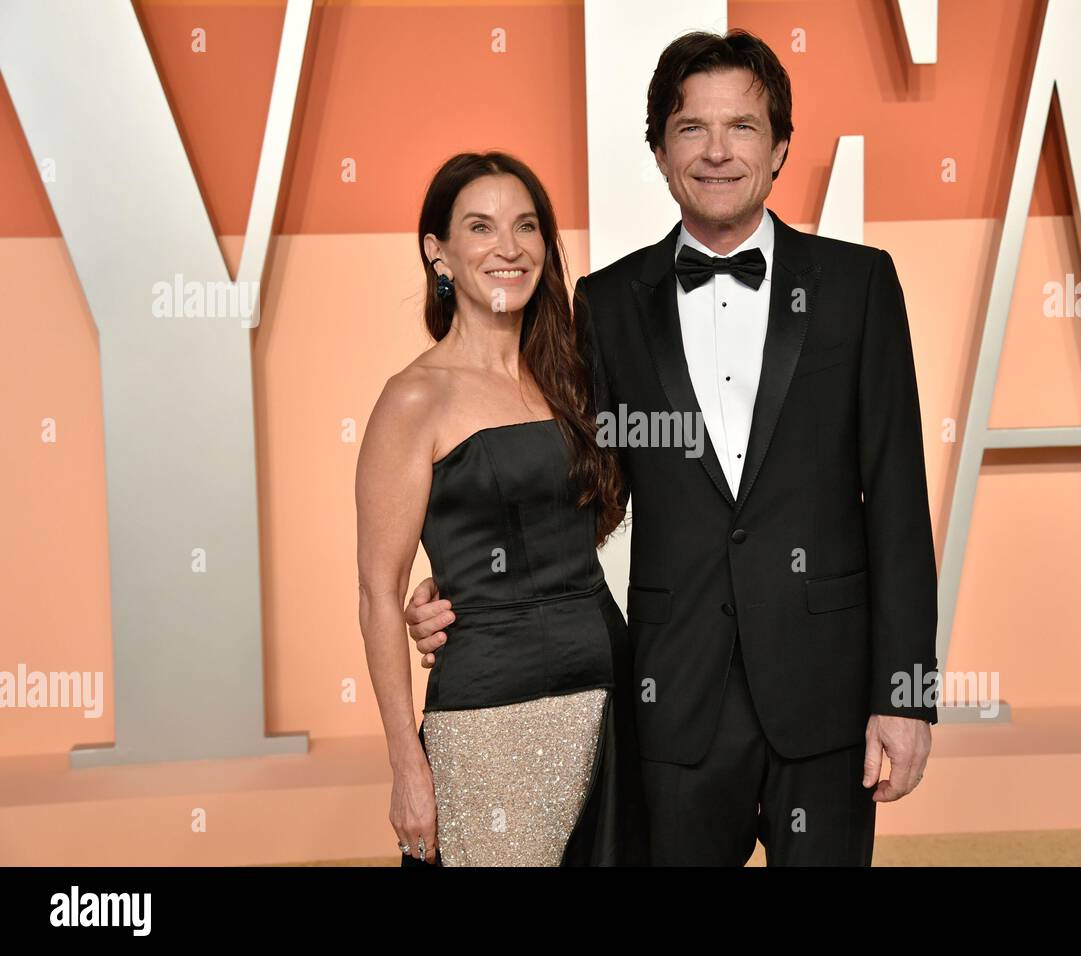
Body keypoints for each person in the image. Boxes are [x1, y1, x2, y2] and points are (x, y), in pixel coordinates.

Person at [407, 30, 938, 866]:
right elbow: (587, 480)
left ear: (781, 148)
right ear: (659, 151)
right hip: (673, 695)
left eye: (744, 128)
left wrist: (908, 696)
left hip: (827, 695)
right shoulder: (609, 302)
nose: (717, 151)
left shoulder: (860, 285)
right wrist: (475, 574)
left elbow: (900, 502)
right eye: (692, 128)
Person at [356, 151, 648, 866]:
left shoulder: (571, 377)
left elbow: (586, 514)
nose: (508, 248)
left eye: (525, 226)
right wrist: (406, 764)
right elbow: (376, 590)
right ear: (439, 253)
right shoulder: (413, 398)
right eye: (480, 227)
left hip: (608, 694)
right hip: (487, 721)